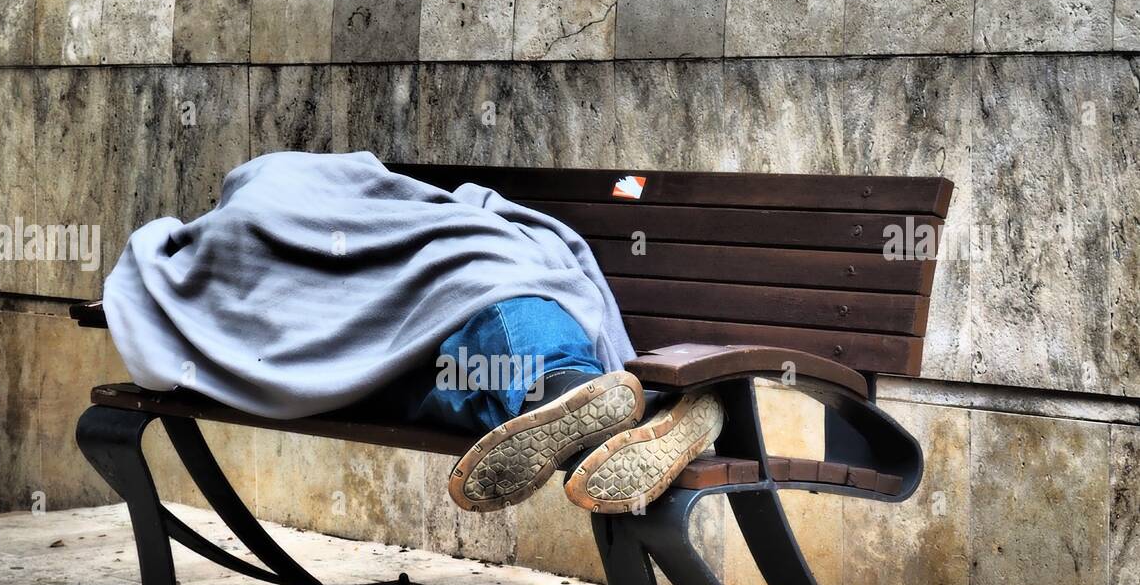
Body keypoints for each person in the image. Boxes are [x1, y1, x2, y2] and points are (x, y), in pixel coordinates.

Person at [103, 151, 723, 514]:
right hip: (402, 356)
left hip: (444, 313)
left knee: (487, 286)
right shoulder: (253, 212)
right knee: (470, 358)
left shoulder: (293, 188)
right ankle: (631, 416)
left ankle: (571, 397)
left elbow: (375, 209)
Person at [378, 294, 724, 515]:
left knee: (496, 290)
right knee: (450, 378)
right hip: (404, 362)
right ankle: (648, 408)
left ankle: (561, 387)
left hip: (428, 319)